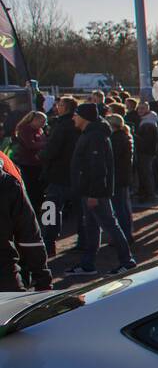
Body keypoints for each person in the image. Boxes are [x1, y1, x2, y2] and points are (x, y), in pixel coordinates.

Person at [65, 103, 138, 275]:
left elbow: (98, 168)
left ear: (84, 117)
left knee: (110, 225)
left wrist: (93, 193)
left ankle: (127, 261)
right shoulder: (92, 134)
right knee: (92, 227)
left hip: (95, 192)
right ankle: (88, 264)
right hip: (89, 190)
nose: (73, 118)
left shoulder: (95, 136)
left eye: (76, 115)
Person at [37, 96, 80, 254]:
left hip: (58, 174)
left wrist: (41, 155)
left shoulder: (61, 126)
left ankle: (48, 243)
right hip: (74, 173)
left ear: (66, 107)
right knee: (79, 210)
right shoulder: (76, 124)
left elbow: (53, 149)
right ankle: (83, 240)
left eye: (60, 104)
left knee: (50, 209)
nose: (56, 106)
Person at [0, 168, 51, 292]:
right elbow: (29, 237)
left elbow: (29, 236)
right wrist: (42, 278)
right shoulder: (7, 179)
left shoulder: (8, 179)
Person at [105, 113, 135, 246]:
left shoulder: (116, 139)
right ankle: (127, 235)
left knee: (118, 208)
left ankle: (123, 236)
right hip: (124, 176)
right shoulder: (124, 137)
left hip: (117, 177)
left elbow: (113, 159)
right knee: (123, 207)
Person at [12, 110, 47, 210]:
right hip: (27, 163)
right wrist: (45, 144)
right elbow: (30, 145)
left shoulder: (39, 130)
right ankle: (33, 207)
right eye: (42, 122)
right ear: (35, 120)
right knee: (31, 187)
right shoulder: (25, 129)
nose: (44, 124)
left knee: (39, 187)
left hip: (38, 163)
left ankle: (38, 206)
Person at [135, 101, 158, 202]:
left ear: (147, 109)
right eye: (139, 108)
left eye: (143, 108)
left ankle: (150, 194)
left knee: (146, 173)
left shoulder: (147, 123)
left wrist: (135, 137)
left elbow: (146, 141)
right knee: (146, 173)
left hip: (146, 152)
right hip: (149, 152)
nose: (140, 110)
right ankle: (148, 193)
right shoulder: (148, 120)